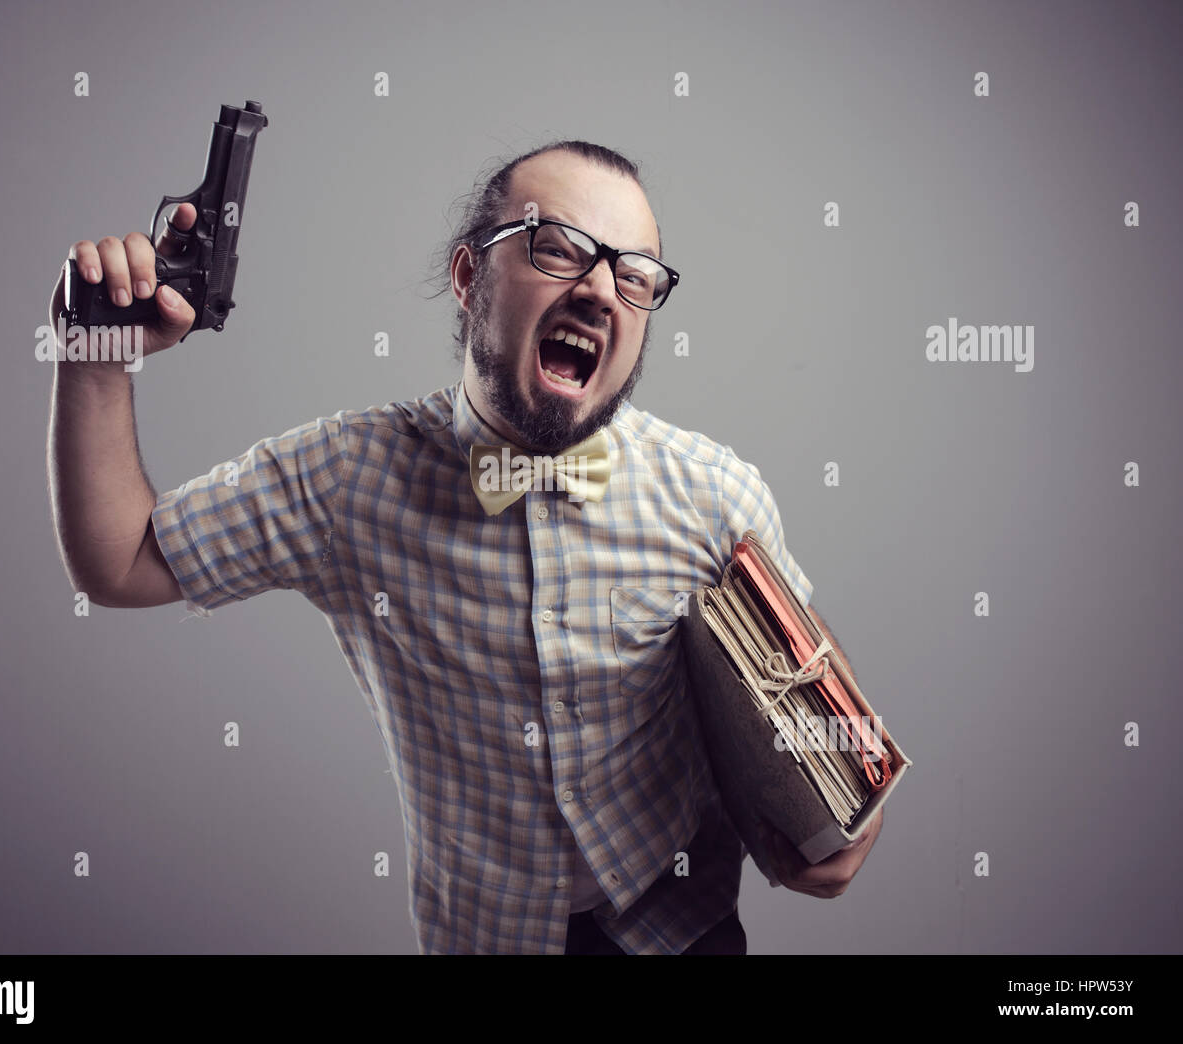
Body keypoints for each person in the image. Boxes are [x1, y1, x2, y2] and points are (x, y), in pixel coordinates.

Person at [46, 139, 882, 954]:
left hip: (684, 932)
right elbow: (119, 562)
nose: (600, 290)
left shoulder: (713, 493)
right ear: (468, 275)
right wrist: (93, 355)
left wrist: (847, 800)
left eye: (633, 276)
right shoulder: (349, 479)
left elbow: (800, 659)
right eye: (559, 249)